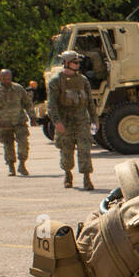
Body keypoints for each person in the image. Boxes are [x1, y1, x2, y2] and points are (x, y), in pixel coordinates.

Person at [46, 50, 96, 189]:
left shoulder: (83, 80)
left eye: (78, 62)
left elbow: (90, 102)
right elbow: (52, 105)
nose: (77, 65)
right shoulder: (56, 81)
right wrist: (57, 122)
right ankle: (68, 174)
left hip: (81, 120)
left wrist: (94, 119)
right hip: (65, 120)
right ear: (66, 63)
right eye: (74, 62)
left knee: (85, 149)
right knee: (66, 150)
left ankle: (87, 178)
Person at [0, 68, 34, 176]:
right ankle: (11, 166)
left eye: (8, 78)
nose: (6, 80)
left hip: (19, 121)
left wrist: (33, 117)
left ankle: (22, 164)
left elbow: (27, 103)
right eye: (4, 78)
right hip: (3, 123)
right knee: (8, 145)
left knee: (23, 142)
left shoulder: (18, 88)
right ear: (0, 77)